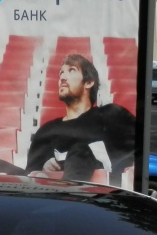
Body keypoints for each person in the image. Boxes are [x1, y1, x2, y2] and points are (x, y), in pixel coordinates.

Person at [23, 54, 136, 183]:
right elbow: (29, 176)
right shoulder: (47, 131)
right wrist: (43, 167)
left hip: (102, 190)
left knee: (80, 150)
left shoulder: (111, 116)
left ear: (88, 82)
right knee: (2, 167)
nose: (62, 78)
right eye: (61, 73)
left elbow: (141, 148)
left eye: (71, 70)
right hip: (50, 189)